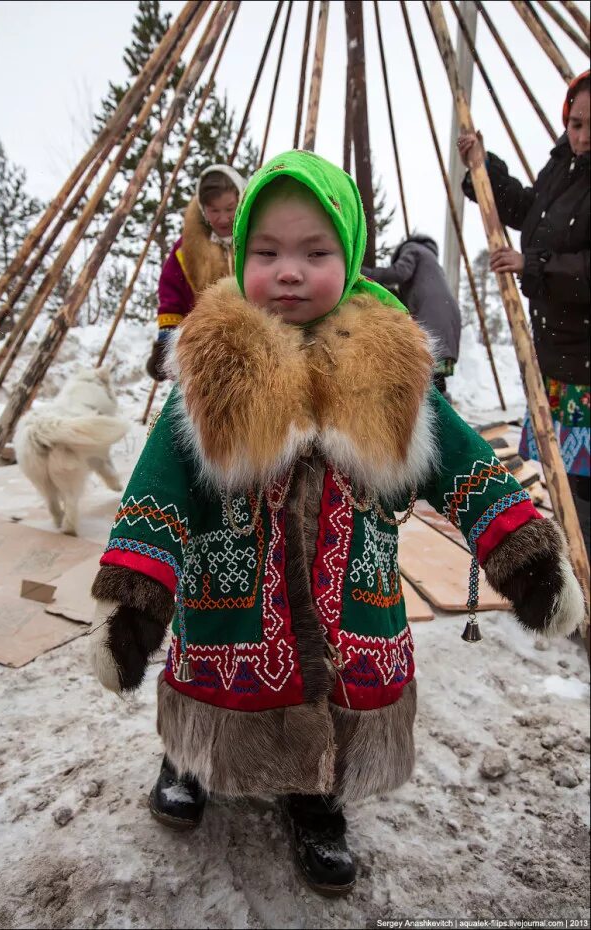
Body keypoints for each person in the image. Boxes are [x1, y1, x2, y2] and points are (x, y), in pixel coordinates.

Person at [89, 151, 584, 896]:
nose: (288, 271)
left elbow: (460, 460)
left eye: (314, 253)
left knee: (332, 699)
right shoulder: (213, 364)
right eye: (267, 252)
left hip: (350, 591)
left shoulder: (389, 368)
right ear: (242, 256)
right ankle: (189, 758)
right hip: (232, 600)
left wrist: (520, 550)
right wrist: (135, 600)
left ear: (349, 257)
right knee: (208, 684)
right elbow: (158, 490)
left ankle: (314, 794)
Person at [458, 69, 590, 554]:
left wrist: (532, 264)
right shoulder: (564, 166)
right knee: (569, 482)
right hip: (559, 360)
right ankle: (580, 571)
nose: (583, 136)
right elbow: (529, 211)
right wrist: (484, 167)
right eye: (576, 123)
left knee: (586, 491)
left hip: (588, 365)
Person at [145, 163, 246, 381]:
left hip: (256, 347)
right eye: (214, 211)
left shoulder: (259, 241)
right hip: (204, 356)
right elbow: (171, 296)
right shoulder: (186, 252)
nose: (223, 218)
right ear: (202, 209)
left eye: (230, 208)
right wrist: (166, 342)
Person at [362, 235, 462, 399]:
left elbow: (399, 273)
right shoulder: (431, 263)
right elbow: (410, 297)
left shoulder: (413, 248)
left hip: (433, 316)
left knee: (427, 375)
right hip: (447, 316)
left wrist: (365, 273)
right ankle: (443, 415)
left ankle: (440, 419)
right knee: (435, 376)